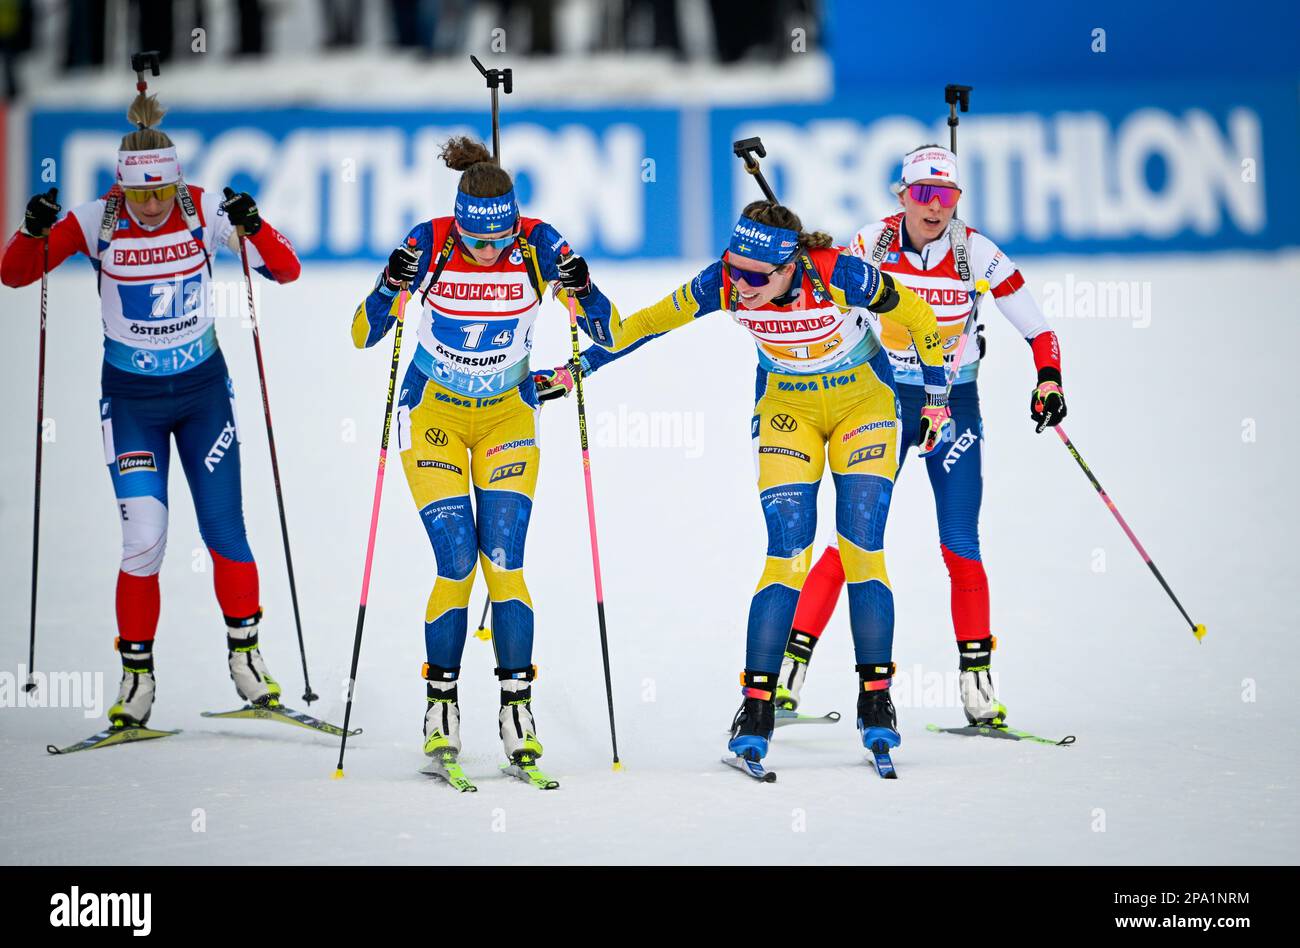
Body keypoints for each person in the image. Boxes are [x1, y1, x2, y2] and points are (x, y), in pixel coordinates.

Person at [535, 199, 948, 765]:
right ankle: (756, 706)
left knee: (861, 550)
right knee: (786, 556)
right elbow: (646, 325)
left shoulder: (838, 273)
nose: (743, 286)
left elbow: (922, 319)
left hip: (865, 406)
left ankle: (876, 702)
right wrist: (577, 367)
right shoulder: (723, 283)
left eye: (757, 277)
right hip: (787, 410)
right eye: (735, 269)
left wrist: (936, 398)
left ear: (788, 267)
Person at [0, 90, 301, 728]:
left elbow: (287, 269)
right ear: (121, 189)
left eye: (162, 192)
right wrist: (31, 231)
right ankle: (137, 679)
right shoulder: (94, 220)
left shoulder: (204, 209)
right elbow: (16, 274)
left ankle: (247, 662)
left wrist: (255, 225)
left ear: (176, 181)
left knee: (226, 532)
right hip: (133, 403)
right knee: (143, 541)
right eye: (141, 196)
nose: (152, 206)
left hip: (202, 398)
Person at [776, 144, 1067, 727]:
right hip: (880, 400)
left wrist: (1049, 381)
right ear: (901, 195)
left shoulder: (975, 252)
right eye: (922, 194)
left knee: (960, 539)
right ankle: (788, 674)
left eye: (947, 196)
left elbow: (1038, 328)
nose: (935, 207)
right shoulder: (869, 244)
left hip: (953, 403)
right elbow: (812, 276)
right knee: (853, 539)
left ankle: (978, 688)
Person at [351, 136, 617, 772]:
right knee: (457, 562)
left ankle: (515, 705)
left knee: (504, 563)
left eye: (499, 242)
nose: (490, 252)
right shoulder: (431, 240)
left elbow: (606, 329)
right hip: (434, 415)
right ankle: (440, 702)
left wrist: (585, 287)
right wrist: (390, 286)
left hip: (506, 419)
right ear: (459, 223)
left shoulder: (538, 243)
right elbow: (364, 334)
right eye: (478, 242)